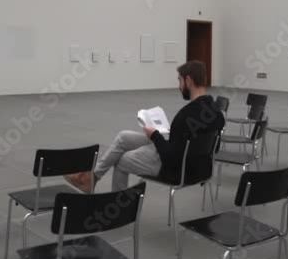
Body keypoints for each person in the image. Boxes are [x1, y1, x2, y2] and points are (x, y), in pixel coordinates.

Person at [65, 61, 225, 192]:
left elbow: (170, 156)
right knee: (123, 137)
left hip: (176, 169)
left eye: (180, 80)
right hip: (200, 168)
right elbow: (214, 148)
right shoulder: (216, 112)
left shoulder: (185, 115)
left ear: (189, 81)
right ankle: (92, 178)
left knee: (121, 160)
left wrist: (154, 135)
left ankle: (119, 212)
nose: (179, 86)